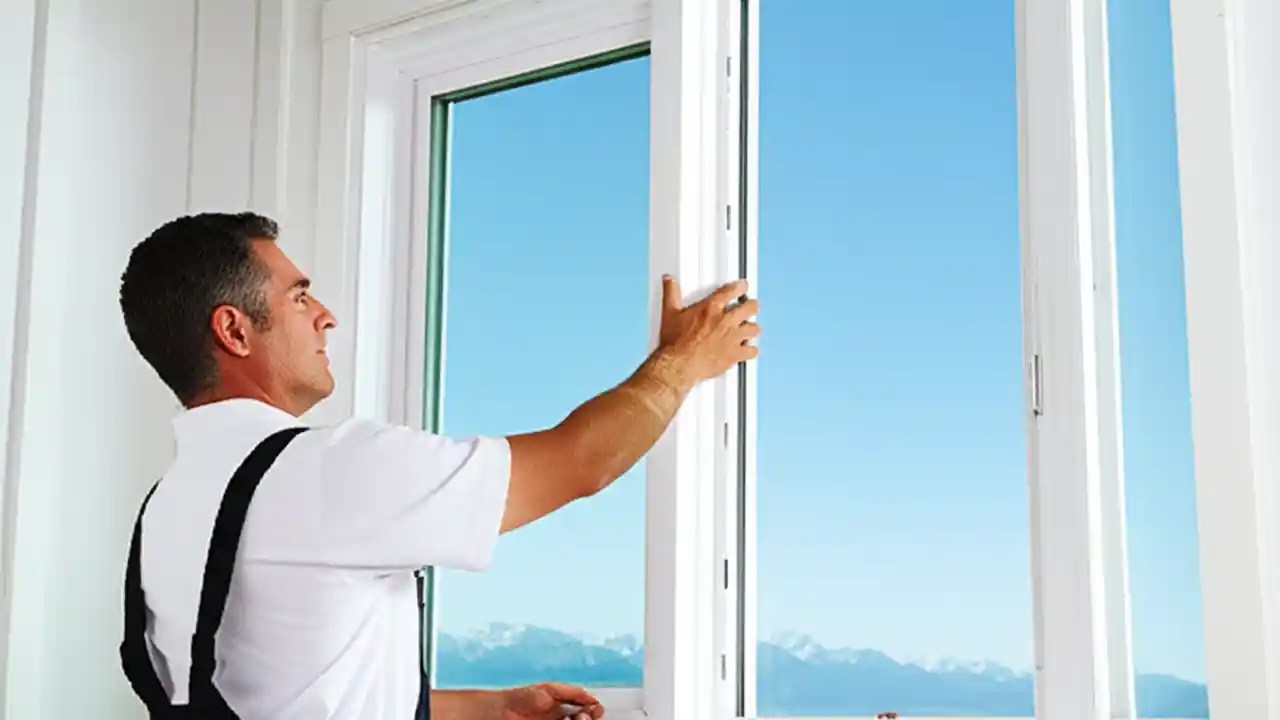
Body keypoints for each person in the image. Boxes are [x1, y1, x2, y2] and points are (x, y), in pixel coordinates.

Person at [117, 212, 761, 719]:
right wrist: (684, 361)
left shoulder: (170, 504)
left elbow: (289, 690)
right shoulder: (327, 471)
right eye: (299, 297)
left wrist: (488, 708)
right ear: (234, 331)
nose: (325, 316)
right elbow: (581, 462)